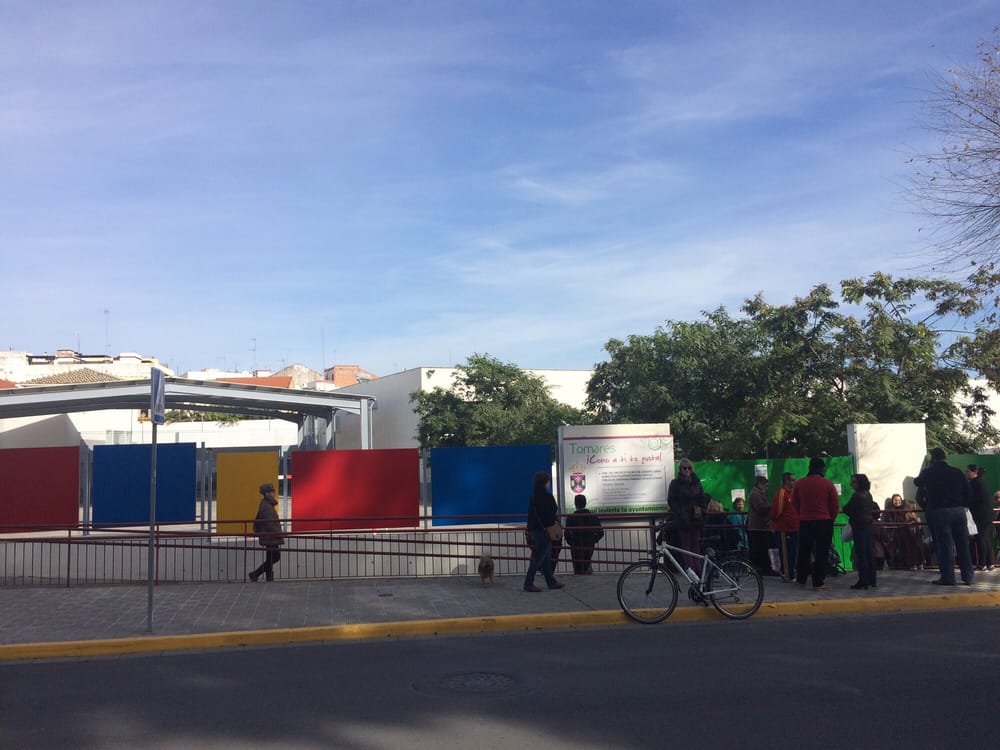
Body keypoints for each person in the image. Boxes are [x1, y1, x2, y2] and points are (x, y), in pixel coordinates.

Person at [914, 448, 973, 586]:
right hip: (958, 511)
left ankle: (948, 577)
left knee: (945, 546)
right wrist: (963, 505)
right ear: (945, 458)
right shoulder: (957, 472)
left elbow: (917, 482)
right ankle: (968, 577)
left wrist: (927, 470)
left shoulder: (929, 472)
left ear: (933, 459)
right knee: (963, 545)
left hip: (940, 511)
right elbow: (968, 491)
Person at [791, 457, 840, 590]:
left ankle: (800, 580)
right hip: (824, 521)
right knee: (821, 552)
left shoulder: (799, 483)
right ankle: (818, 582)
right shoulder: (828, 484)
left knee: (804, 551)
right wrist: (831, 518)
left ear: (810, 468)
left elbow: (794, 502)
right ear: (822, 469)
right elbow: (834, 504)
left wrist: (801, 514)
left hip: (805, 521)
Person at [523, 471, 564, 592]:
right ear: (545, 483)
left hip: (537, 530)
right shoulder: (547, 497)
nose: (549, 484)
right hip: (546, 530)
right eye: (548, 482)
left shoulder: (534, 497)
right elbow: (552, 511)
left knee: (546, 557)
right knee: (538, 558)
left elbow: (532, 515)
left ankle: (551, 581)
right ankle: (528, 582)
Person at [667, 458, 708, 575]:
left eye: (689, 468)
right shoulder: (675, 483)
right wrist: (680, 512)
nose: (687, 470)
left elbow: (702, 497)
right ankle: (691, 571)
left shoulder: (696, 483)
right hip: (683, 518)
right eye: (684, 468)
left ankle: (698, 570)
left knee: (695, 544)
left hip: (695, 517)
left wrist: (701, 508)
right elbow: (671, 500)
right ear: (680, 469)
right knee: (685, 545)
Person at [843, 474, 880, 590]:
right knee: (869, 553)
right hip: (868, 525)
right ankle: (872, 579)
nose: (851, 484)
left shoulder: (857, 495)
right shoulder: (868, 494)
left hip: (859, 526)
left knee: (861, 553)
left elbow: (847, 509)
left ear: (859, 483)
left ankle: (863, 580)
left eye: (854, 482)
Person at [249, 483, 284, 582]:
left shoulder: (267, 505)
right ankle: (255, 574)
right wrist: (278, 533)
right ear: (266, 493)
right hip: (271, 536)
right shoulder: (266, 507)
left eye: (273, 491)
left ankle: (268, 577)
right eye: (272, 491)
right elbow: (270, 523)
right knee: (275, 557)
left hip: (269, 536)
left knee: (270, 557)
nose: (274, 493)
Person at [564, 494, 604, 574]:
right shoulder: (593, 516)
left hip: (576, 545)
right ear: (585, 503)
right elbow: (601, 532)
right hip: (589, 544)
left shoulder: (571, 518)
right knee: (587, 562)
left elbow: (567, 533)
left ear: (575, 504)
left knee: (577, 566)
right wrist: (593, 540)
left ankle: (579, 577)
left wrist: (571, 542)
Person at [770, 472, 799, 581]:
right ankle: (787, 575)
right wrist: (776, 522)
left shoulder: (792, 493)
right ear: (786, 481)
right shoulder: (782, 493)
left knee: (792, 552)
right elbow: (777, 511)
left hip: (793, 528)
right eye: (792, 480)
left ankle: (790, 572)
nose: (794, 482)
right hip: (784, 529)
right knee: (786, 553)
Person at [747, 476, 776, 576]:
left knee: (761, 549)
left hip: (758, 527)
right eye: (765, 486)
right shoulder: (755, 494)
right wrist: (772, 505)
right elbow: (760, 508)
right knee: (762, 549)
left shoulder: (756, 494)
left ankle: (762, 569)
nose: (766, 488)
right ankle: (763, 569)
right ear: (760, 484)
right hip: (759, 527)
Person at [968, 465, 995, 571]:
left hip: (980, 515)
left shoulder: (973, 483)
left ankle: (982, 563)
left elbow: (971, 499)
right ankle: (990, 563)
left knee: (981, 539)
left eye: (968, 471)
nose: (966, 473)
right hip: (988, 515)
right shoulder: (981, 482)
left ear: (974, 472)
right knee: (986, 538)